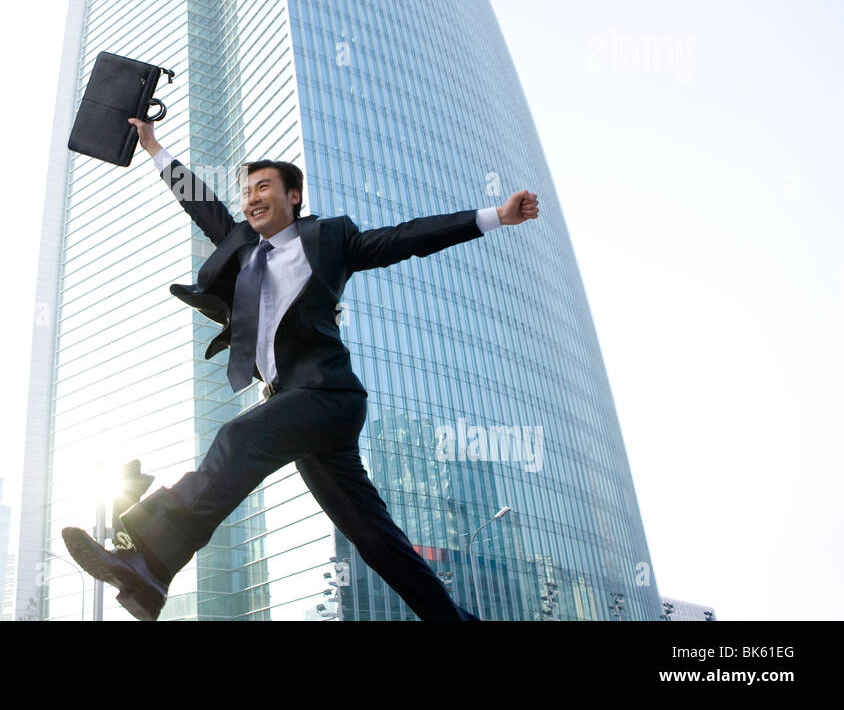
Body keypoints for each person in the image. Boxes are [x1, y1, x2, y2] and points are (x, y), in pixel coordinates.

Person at [62, 116, 539, 620]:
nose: (251, 199)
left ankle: (149, 560)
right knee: (375, 540)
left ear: (294, 197)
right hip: (296, 407)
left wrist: (494, 216)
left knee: (236, 440)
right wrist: (155, 148)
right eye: (247, 191)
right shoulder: (242, 247)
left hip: (326, 394)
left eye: (264, 187)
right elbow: (201, 203)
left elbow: (406, 237)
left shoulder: (330, 239)